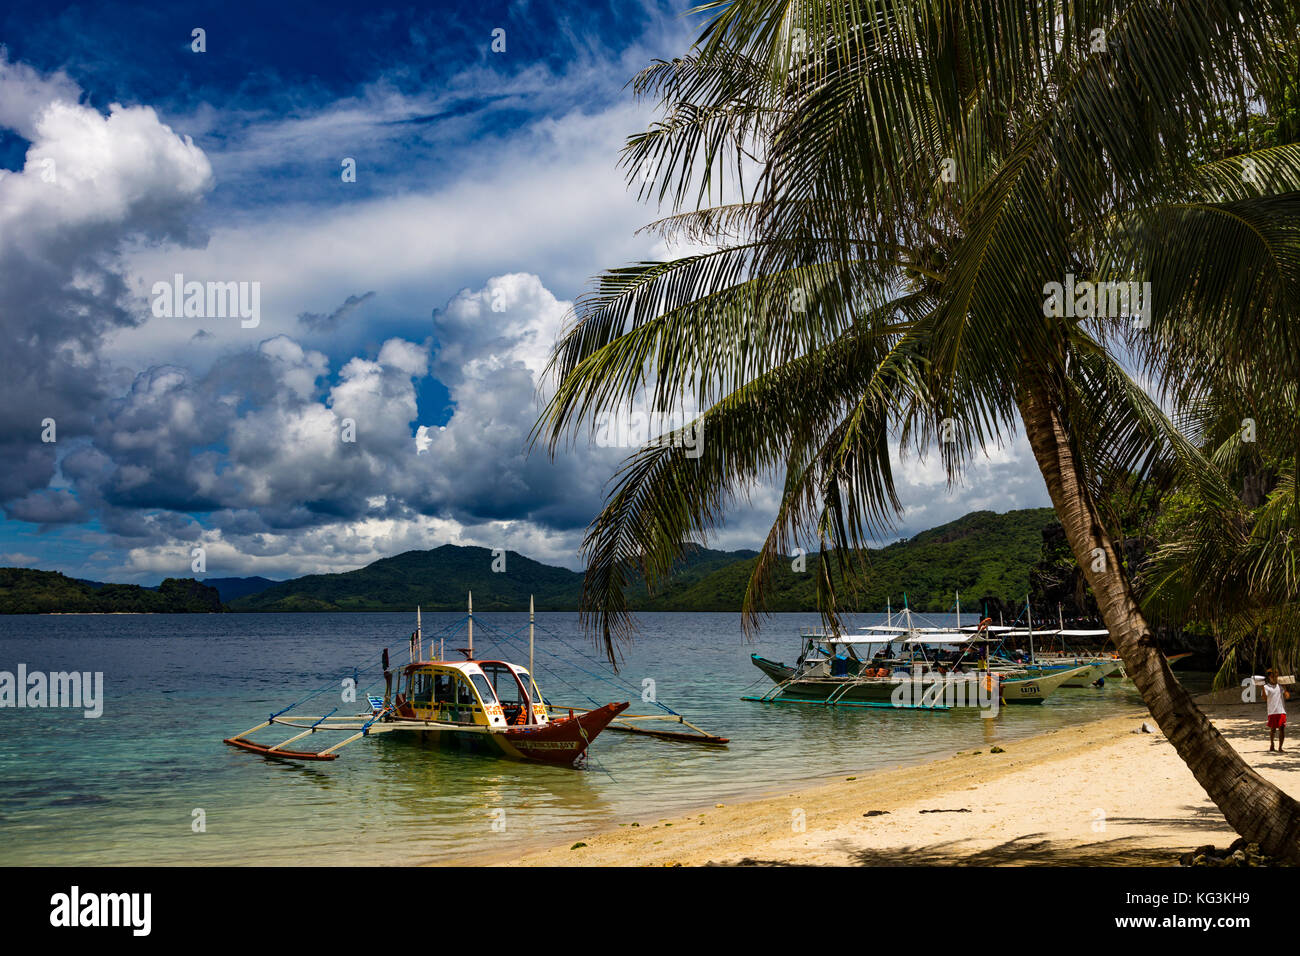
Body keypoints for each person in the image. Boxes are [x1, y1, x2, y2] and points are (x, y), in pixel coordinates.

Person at [1263, 669, 1290, 752]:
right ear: (1269, 677)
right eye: (1272, 676)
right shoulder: (1266, 687)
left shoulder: (1280, 686)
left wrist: (1285, 687)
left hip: (1281, 710)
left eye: (1276, 676)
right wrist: (1262, 688)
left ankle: (1280, 747)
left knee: (1282, 729)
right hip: (1272, 711)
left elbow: (1287, 697)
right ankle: (1272, 744)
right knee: (1273, 729)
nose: (1274, 678)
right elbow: (1264, 698)